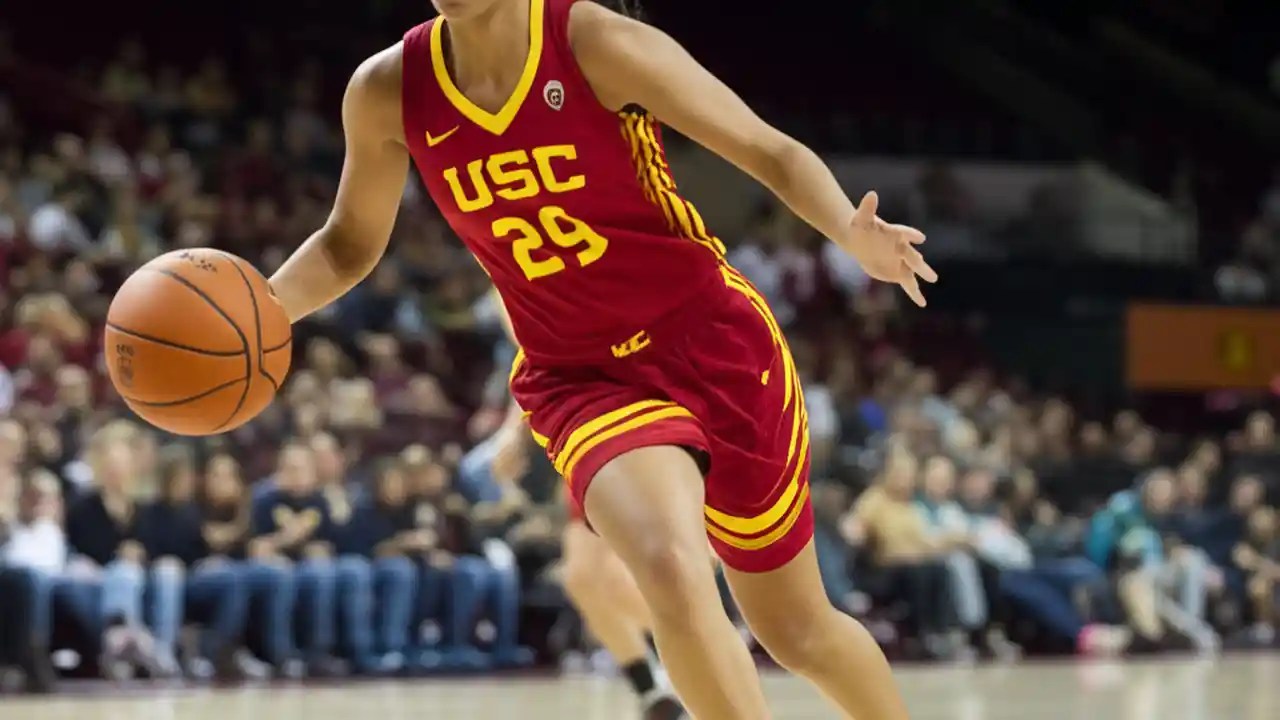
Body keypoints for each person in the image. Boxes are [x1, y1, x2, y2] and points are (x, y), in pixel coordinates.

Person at [268, 0, 933, 714]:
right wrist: (255, 316)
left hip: (710, 343)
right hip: (579, 375)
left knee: (797, 631)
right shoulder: (387, 89)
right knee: (668, 566)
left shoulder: (596, 44)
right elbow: (346, 245)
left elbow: (768, 150)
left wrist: (848, 230)